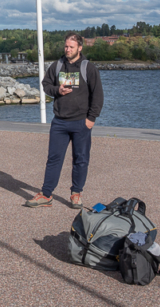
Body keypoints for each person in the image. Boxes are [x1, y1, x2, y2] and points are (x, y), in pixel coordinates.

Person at [25, 33, 103, 210]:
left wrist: (91, 119)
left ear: (80, 48)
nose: (67, 49)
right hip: (59, 122)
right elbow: (45, 85)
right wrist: (57, 90)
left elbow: (98, 95)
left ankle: (76, 194)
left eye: (71, 47)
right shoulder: (57, 65)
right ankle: (46, 194)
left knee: (80, 160)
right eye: (66, 46)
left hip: (81, 123)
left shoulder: (88, 68)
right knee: (54, 159)